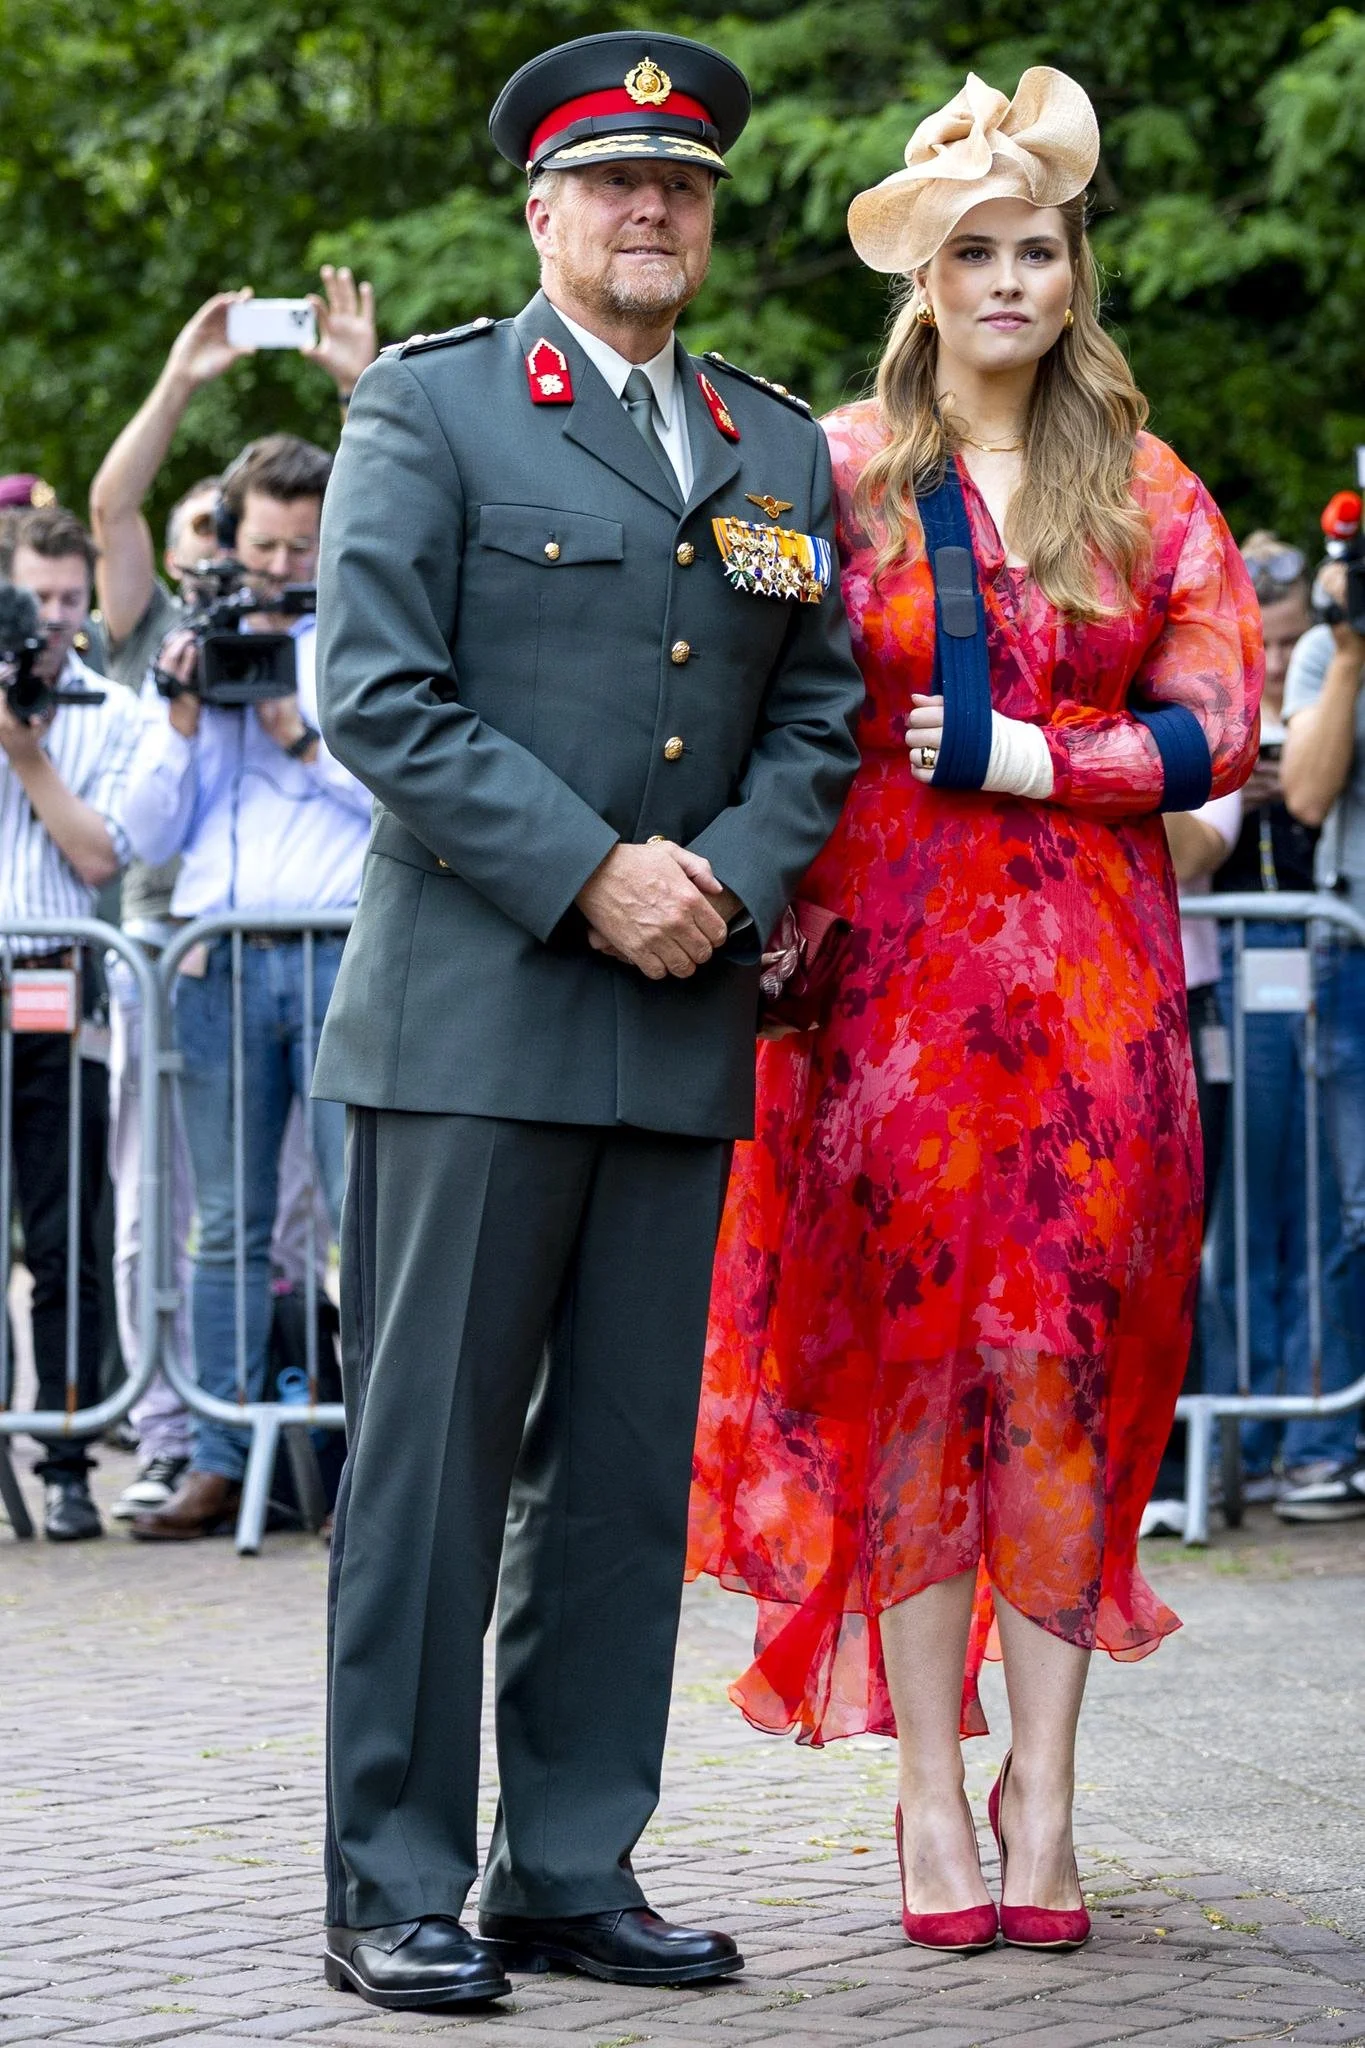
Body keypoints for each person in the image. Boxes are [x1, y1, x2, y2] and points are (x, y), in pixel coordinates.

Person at [311, 28, 863, 2013]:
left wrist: (724, 871)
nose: (652, 210)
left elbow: (820, 710)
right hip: (474, 1018)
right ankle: (389, 1877)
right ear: (539, 211)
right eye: (614, 182)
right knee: (431, 1473)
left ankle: (565, 1862)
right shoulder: (436, 409)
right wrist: (589, 870)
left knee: (623, 1479)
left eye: (683, 186)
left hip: (675, 1020)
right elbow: (376, 692)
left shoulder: (774, 444)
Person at [689, 66, 1261, 1956]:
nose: (1007, 278)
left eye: (1036, 249)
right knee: (914, 1383)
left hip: (1095, 1008)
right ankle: (933, 1789)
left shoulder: (1150, 484)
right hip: (888, 1012)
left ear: (1072, 274)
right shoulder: (836, 471)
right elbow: (744, 686)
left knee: (1062, 1385)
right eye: (974, 252)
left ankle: (1052, 1788)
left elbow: (1221, 727)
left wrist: (1043, 752)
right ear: (926, 280)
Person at [88, 272, 378, 1519]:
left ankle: (369, 1448)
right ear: (228, 541)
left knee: (361, 1217)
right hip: (211, 957)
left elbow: (408, 797)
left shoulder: (362, 632)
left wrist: (300, 735)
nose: (275, 569)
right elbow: (137, 834)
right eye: (259, 547)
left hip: (336, 952)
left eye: (298, 549)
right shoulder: (196, 637)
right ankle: (211, 1453)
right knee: (222, 1222)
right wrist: (185, 714)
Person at [1203, 540, 1361, 1503]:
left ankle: (1309, 1431)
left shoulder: (1314, 669)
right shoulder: (1212, 684)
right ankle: (1252, 1434)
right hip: (1242, 961)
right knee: (1249, 1212)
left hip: (1314, 946)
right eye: (1249, 580)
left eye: (1283, 580)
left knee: (1316, 1208)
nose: (1265, 594)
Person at [0, 505, 142, 1540]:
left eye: (65, 599)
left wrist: (28, 753)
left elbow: (99, 856)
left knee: (66, 1236)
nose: (50, 620)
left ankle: (63, 1457)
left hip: (58, 985)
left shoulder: (113, 708)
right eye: (32, 599)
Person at [1277, 541, 1365, 1520]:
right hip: (1355, 948)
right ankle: (1325, 1449)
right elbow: (1305, 791)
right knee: (1353, 1211)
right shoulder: (1327, 650)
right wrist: (1347, 655)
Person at [1140, 791, 1243, 1538]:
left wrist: (1098, 762)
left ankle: (1171, 1475)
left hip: (1180, 993)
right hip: (1058, 987)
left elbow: (1199, 848)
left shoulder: (1195, 702)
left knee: (1171, 1246)